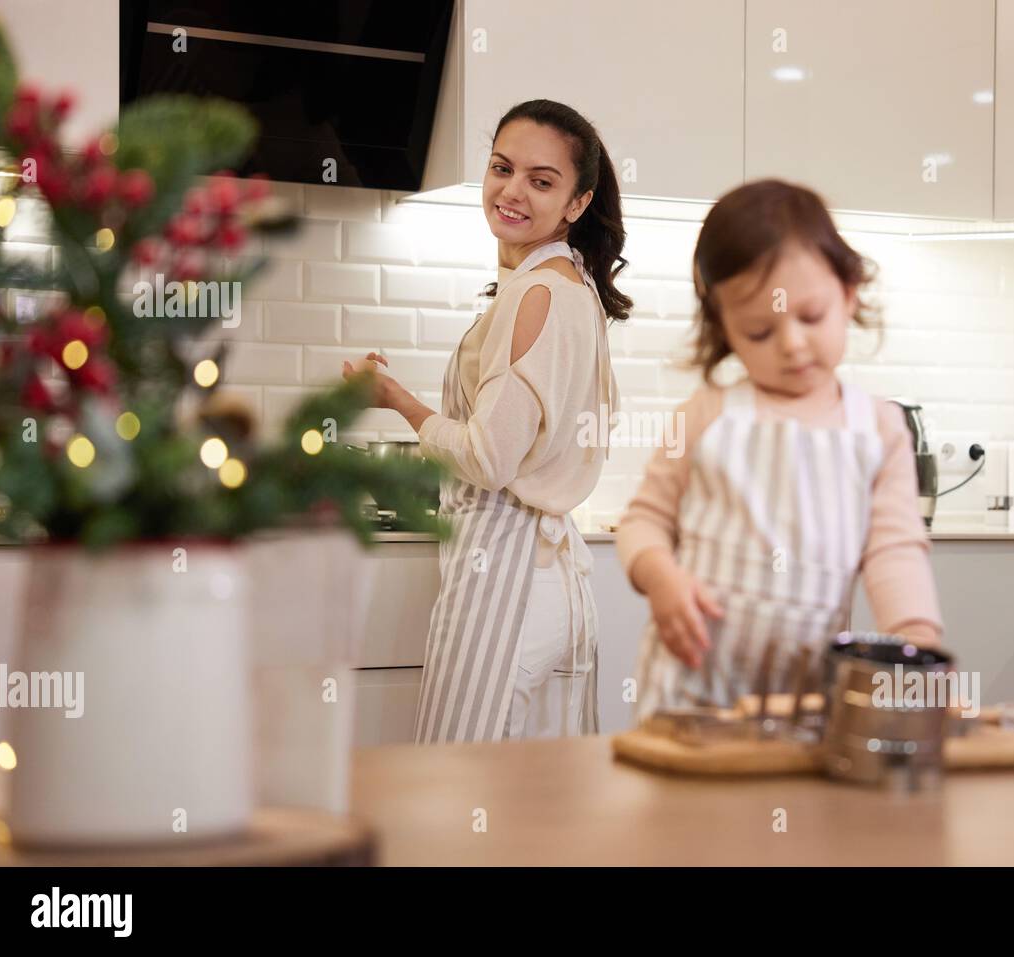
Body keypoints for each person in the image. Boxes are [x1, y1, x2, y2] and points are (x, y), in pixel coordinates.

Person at [344, 100, 630, 742]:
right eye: (502, 167)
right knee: (530, 803)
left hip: (507, 576)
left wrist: (397, 399)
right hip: (546, 576)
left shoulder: (538, 293)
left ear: (577, 203)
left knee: (455, 784)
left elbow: (487, 459)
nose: (512, 190)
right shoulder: (568, 284)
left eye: (542, 180)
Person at [615, 179, 943, 718]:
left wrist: (916, 638)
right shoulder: (707, 414)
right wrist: (662, 579)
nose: (791, 344)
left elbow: (894, 549)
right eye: (760, 331)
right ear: (726, 330)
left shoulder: (878, 428)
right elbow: (642, 522)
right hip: (690, 694)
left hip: (805, 700)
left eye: (810, 317)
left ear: (849, 291)